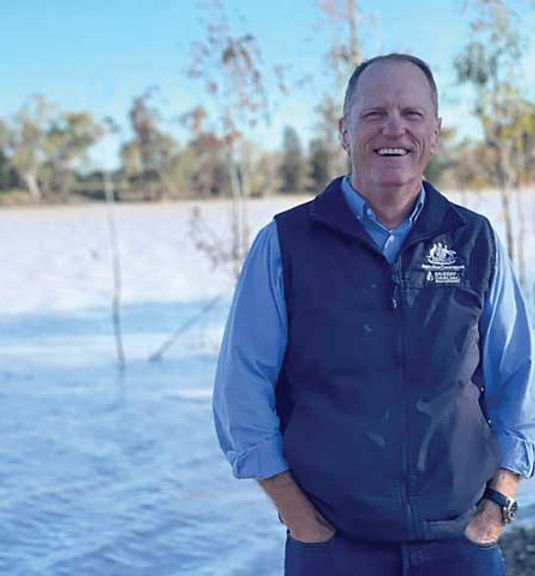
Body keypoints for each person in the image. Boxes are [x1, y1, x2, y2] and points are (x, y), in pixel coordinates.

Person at [212, 53, 535, 576]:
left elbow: (518, 380)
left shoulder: (475, 242)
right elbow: (241, 393)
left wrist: (498, 504)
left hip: (460, 546)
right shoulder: (285, 244)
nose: (395, 128)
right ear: (344, 130)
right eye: (374, 113)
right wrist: (298, 517)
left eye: (412, 114)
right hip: (334, 548)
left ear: (435, 132)